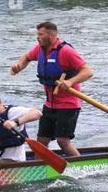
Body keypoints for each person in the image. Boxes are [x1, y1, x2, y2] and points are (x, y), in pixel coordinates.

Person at [10, 20, 94, 158]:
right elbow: (26, 57)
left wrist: (70, 82)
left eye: (41, 34)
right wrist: (19, 66)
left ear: (51, 35)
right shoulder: (40, 49)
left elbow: (88, 71)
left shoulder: (66, 51)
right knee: (41, 141)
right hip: (50, 104)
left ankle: (81, 165)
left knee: (62, 141)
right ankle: (37, 168)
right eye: (37, 34)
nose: (38, 38)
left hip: (68, 105)